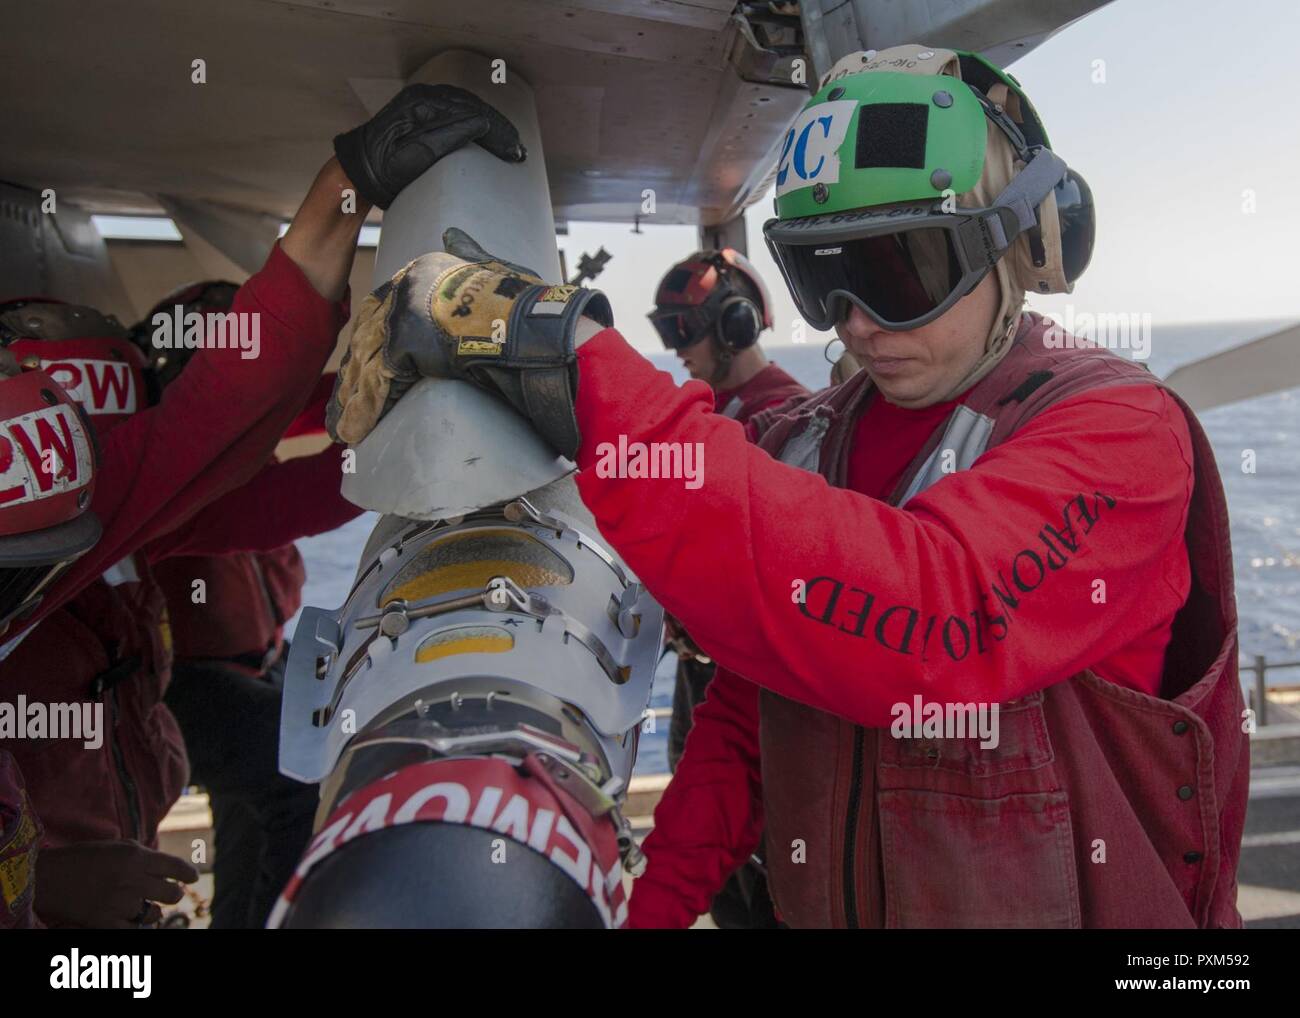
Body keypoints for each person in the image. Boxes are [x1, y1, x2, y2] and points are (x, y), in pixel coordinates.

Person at [328, 44, 1247, 929]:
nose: (859, 324)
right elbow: (749, 724)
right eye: (824, 278)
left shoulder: (1121, 433)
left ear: (1018, 242)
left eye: (898, 270)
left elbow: (940, 619)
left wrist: (569, 361)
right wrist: (641, 914)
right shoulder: (808, 439)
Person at [0, 82, 524, 927]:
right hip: (80, 862)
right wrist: (49, 886)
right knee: (282, 785)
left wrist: (347, 190)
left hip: (99, 851)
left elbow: (220, 422)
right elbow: (256, 467)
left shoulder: (73, 502)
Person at [131, 281, 361, 928]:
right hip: (188, 686)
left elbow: (301, 407)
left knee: (247, 825)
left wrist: (384, 382)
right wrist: (417, 442)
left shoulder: (216, 430)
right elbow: (301, 498)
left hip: (257, 665)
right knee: (298, 780)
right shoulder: (169, 465)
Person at [649, 249, 806, 928]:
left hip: (752, 687)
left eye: (686, 331)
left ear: (736, 325)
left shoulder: (788, 418)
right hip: (706, 674)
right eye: (668, 333)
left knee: (762, 881)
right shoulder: (715, 411)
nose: (676, 351)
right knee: (726, 885)